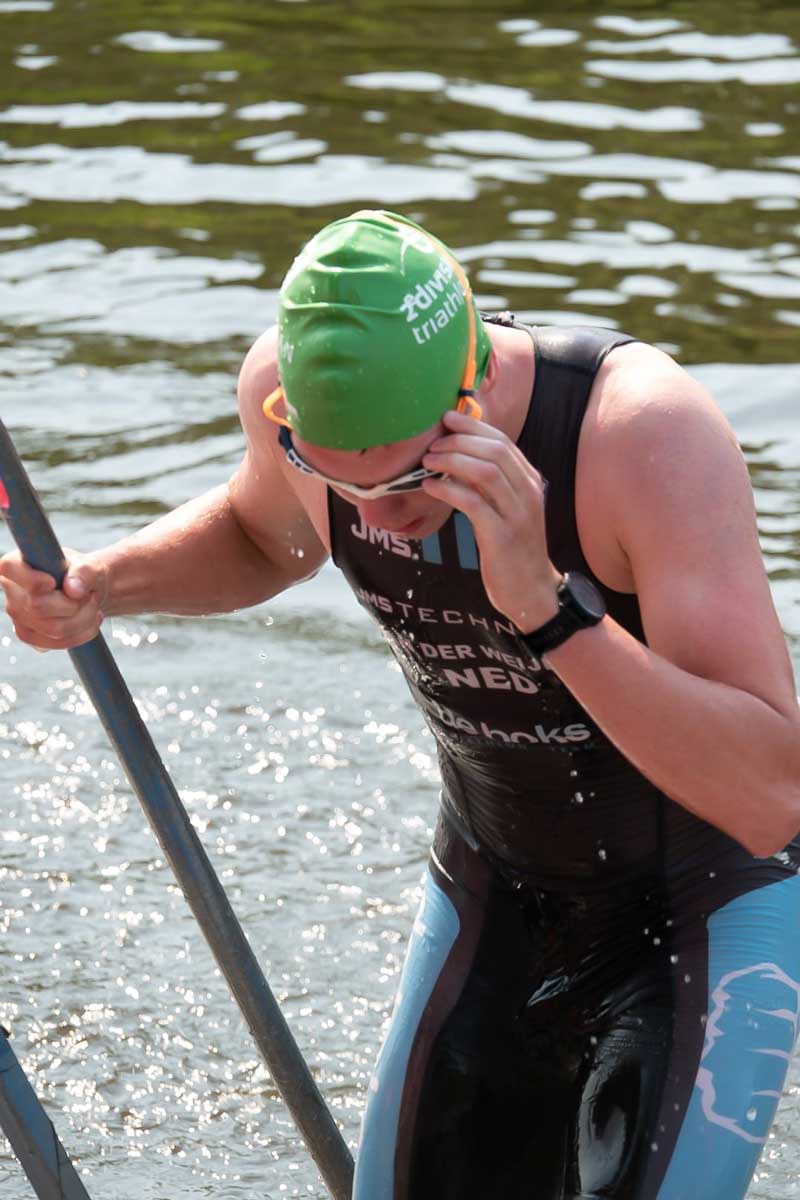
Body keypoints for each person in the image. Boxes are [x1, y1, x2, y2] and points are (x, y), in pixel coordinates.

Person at [2, 209, 800, 1199]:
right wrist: (102, 585)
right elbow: (264, 539)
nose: (378, 517)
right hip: (492, 889)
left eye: (417, 475)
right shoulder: (284, 408)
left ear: (473, 384)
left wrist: (546, 613)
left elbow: (768, 797)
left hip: (697, 915)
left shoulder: (638, 438)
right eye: (339, 478)